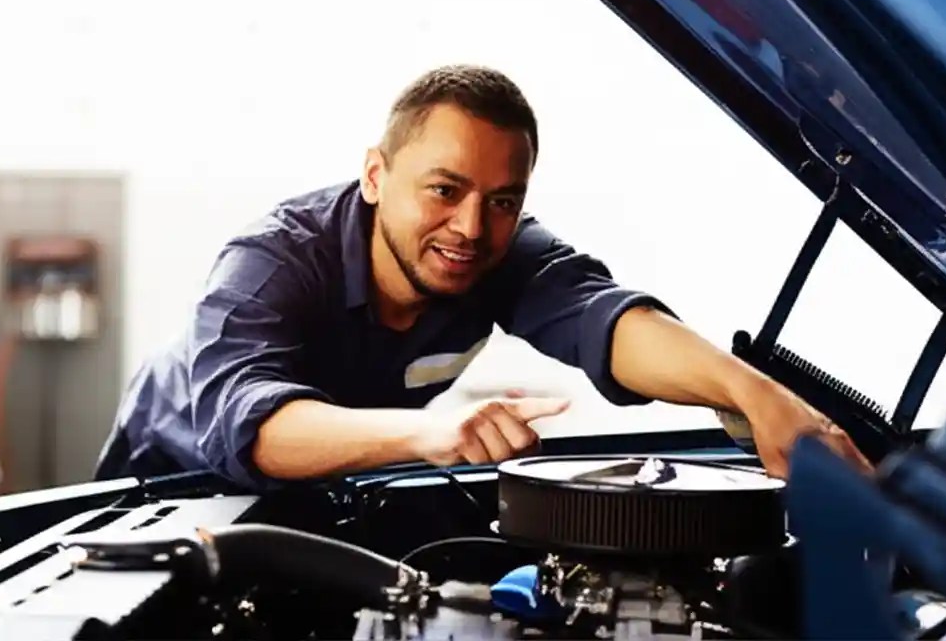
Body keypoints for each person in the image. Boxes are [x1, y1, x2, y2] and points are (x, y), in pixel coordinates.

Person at [94, 64, 870, 489]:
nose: (471, 227)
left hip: (348, 478)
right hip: (168, 491)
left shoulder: (496, 252)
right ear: (375, 175)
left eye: (503, 200)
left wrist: (758, 396)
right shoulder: (269, 263)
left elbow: (603, 318)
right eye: (444, 189)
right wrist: (431, 432)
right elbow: (253, 429)